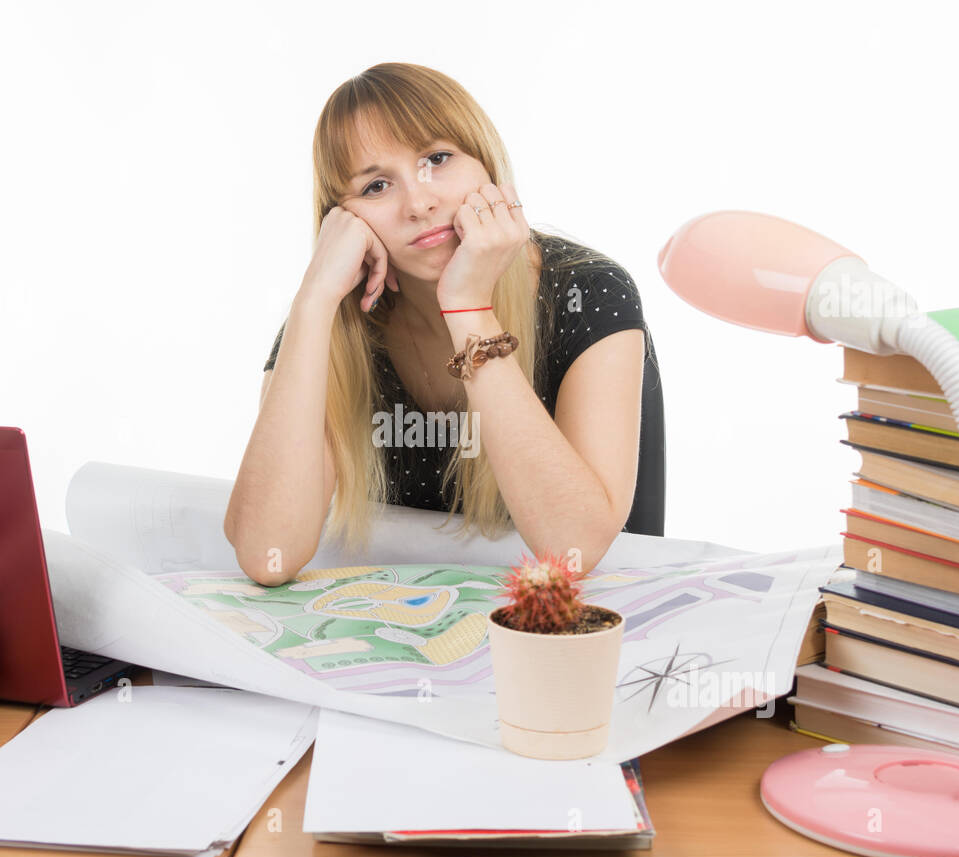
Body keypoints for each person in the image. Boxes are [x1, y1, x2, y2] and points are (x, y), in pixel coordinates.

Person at [224, 62, 654, 586]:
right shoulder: (328, 323)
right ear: (341, 219)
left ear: (488, 164)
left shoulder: (589, 291)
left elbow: (573, 550)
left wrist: (468, 307)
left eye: (438, 158)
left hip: (577, 636)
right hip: (409, 630)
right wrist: (313, 300)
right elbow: (266, 553)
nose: (419, 202)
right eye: (376, 185)